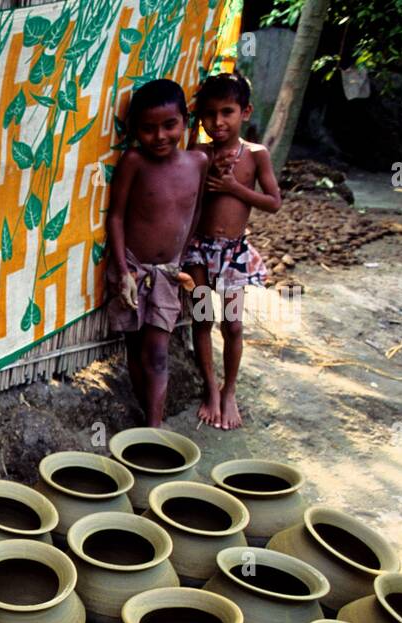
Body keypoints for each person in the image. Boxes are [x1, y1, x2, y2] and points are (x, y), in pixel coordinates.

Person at [105, 79, 207, 428]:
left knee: (159, 351)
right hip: (133, 272)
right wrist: (121, 272)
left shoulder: (198, 162)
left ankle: (154, 427)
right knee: (135, 348)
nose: (160, 136)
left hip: (167, 273)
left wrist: (179, 257)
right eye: (148, 129)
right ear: (135, 130)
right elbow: (116, 216)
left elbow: (195, 211)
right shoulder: (134, 161)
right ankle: (147, 418)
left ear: (185, 121)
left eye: (169, 125)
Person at [184, 71, 282, 430]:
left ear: (246, 112)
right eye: (209, 114)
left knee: (234, 325)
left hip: (234, 255)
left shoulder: (256, 155)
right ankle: (210, 389)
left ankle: (230, 390)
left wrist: (233, 187)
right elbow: (186, 197)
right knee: (200, 318)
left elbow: (273, 202)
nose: (217, 122)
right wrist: (209, 173)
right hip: (197, 250)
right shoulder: (197, 153)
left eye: (227, 112)